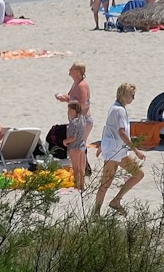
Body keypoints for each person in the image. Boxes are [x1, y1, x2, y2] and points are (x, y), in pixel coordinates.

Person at [94, 83, 145, 214]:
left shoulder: (116, 108)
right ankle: (96, 213)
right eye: (132, 95)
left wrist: (102, 145)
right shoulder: (119, 110)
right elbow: (121, 132)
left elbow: (108, 128)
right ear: (124, 95)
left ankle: (116, 200)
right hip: (114, 152)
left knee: (138, 174)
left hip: (118, 151)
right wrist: (136, 151)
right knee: (105, 184)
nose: (133, 98)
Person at [56, 63, 92, 191]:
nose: (69, 70)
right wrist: (63, 97)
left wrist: (70, 102)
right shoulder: (75, 84)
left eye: (71, 69)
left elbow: (82, 104)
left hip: (82, 121)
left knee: (78, 152)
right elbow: (71, 97)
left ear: (77, 71)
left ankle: (80, 183)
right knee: (80, 149)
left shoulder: (82, 85)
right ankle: (80, 183)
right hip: (78, 121)